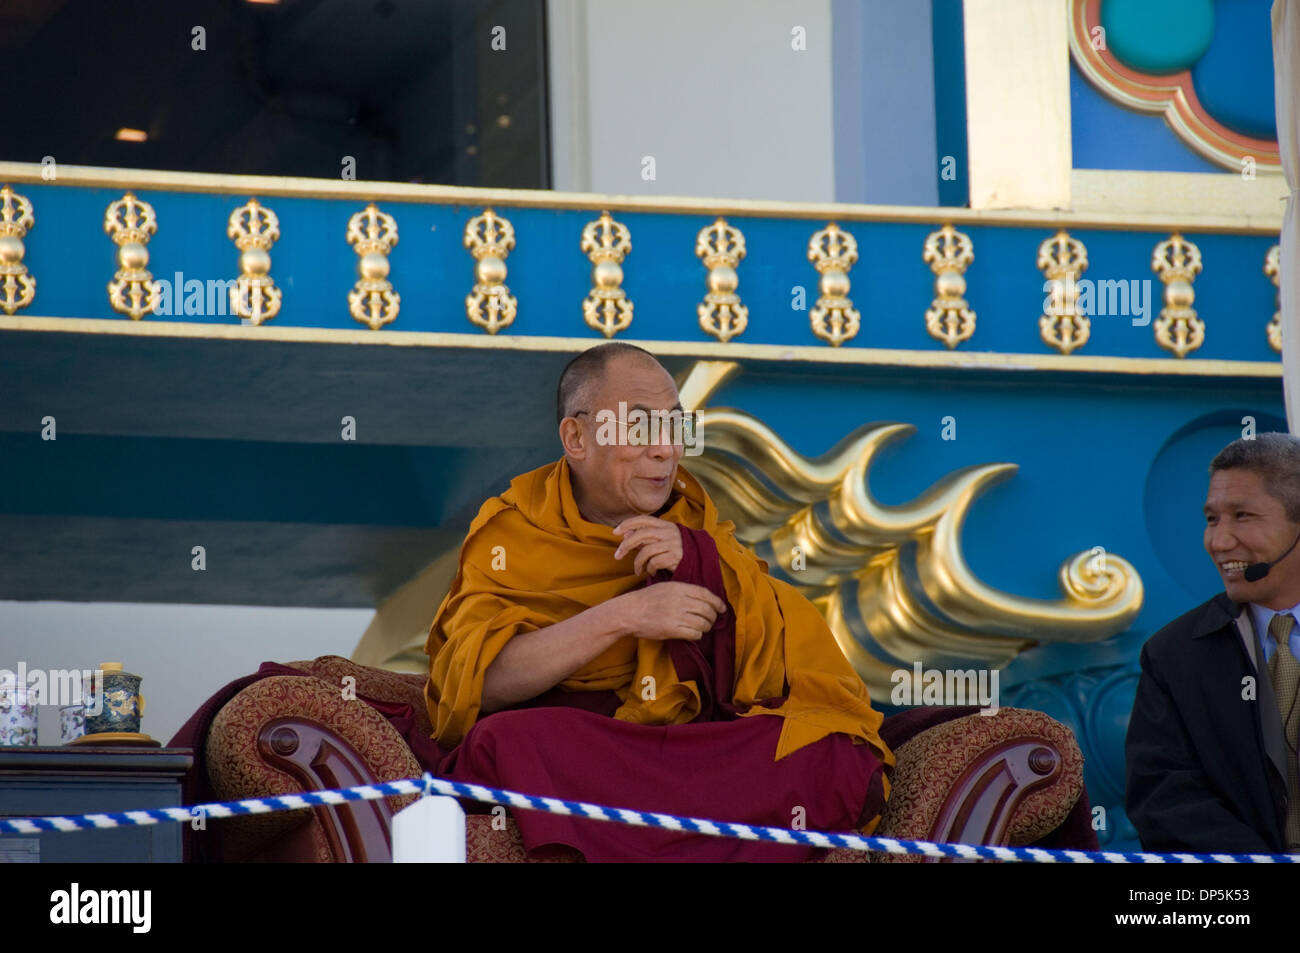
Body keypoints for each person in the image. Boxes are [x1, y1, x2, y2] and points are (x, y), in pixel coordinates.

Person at [423, 341, 894, 861]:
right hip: (592, 754)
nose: (665, 450)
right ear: (576, 438)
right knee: (510, 740)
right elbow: (480, 685)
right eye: (641, 427)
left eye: (675, 427)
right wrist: (622, 617)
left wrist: (702, 565)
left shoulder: (697, 528)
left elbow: (762, 672)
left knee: (829, 754)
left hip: (688, 754)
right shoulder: (513, 534)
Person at [1126, 432, 1300, 854]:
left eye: (1242, 516)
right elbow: (1163, 797)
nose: (1219, 541)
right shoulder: (1173, 655)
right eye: (1211, 519)